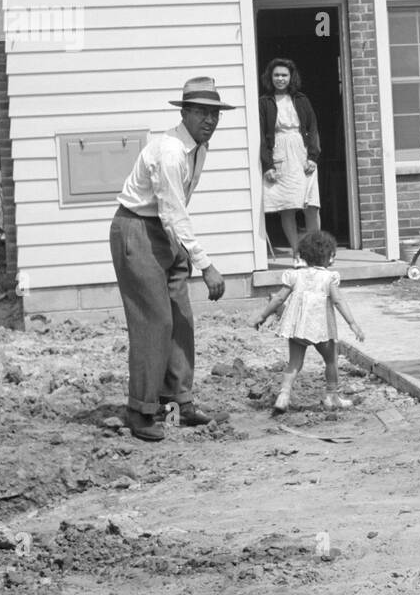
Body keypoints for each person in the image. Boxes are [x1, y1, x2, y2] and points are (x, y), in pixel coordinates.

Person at [110, 76, 232, 442]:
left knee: (181, 317)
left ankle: (178, 403)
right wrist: (205, 263)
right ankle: (140, 410)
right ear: (186, 113)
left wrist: (183, 250)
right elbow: (172, 212)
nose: (209, 121)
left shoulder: (198, 148)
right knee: (155, 320)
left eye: (214, 114)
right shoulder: (171, 151)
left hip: (166, 231)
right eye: (201, 113)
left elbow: (175, 213)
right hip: (138, 229)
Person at [254, 229, 365, 412]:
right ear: (328, 256)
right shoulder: (329, 278)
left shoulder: (295, 275)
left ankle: (283, 395)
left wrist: (262, 315)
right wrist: (352, 323)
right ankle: (331, 396)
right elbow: (338, 300)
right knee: (331, 360)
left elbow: (279, 298)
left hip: (297, 328)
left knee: (294, 363)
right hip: (320, 329)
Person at [259, 58, 322, 255]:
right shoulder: (264, 102)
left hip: (302, 152)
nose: (280, 79)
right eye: (276, 75)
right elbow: (261, 135)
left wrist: (313, 156)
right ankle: (297, 253)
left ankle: (316, 252)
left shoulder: (301, 100)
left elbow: (313, 128)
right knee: (287, 206)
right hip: (279, 153)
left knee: (311, 205)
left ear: (290, 77)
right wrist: (268, 164)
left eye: (284, 75)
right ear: (270, 77)